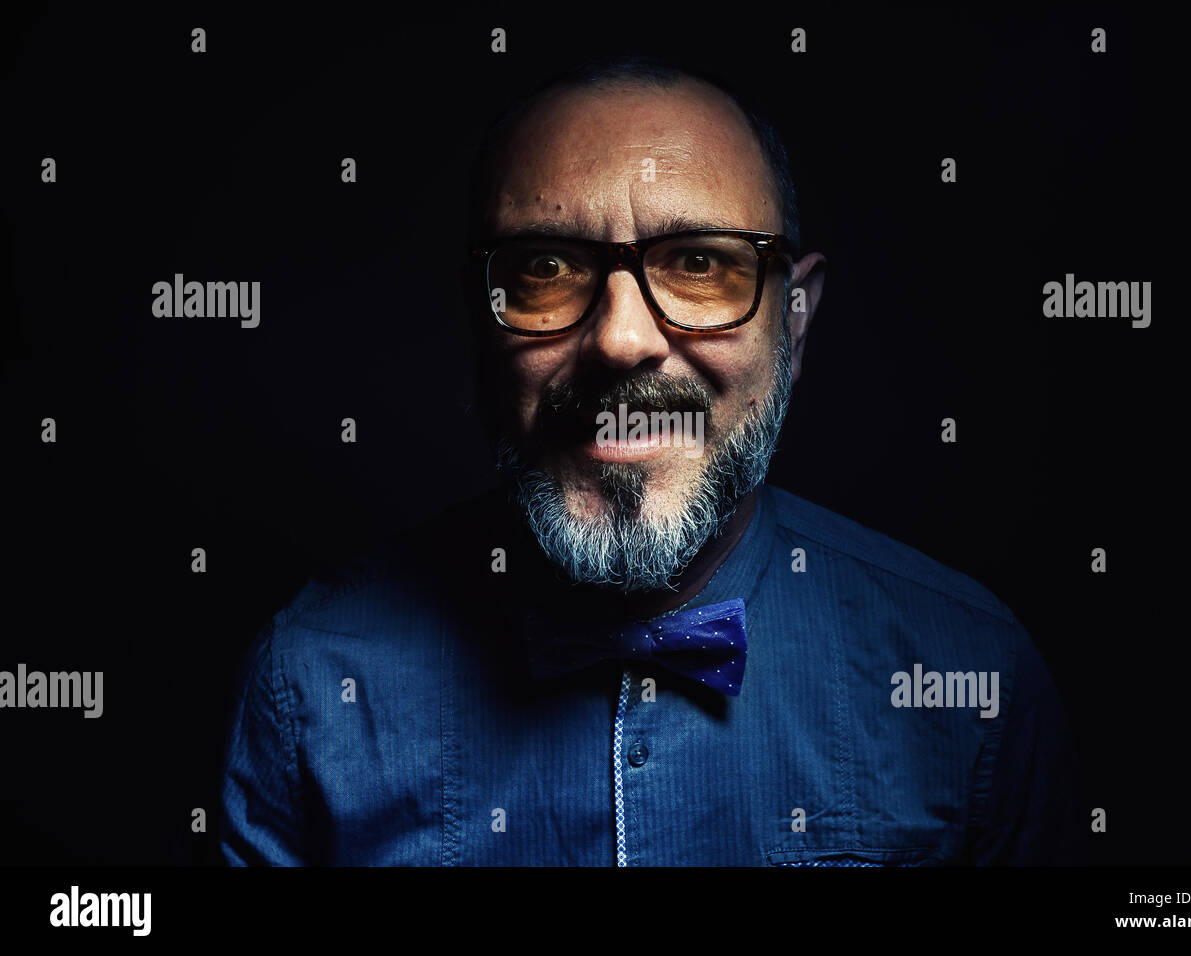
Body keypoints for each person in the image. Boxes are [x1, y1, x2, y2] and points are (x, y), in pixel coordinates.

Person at [220, 56, 1085, 866]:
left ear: (795, 318)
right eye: (548, 267)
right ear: (478, 321)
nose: (622, 339)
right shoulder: (310, 679)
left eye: (701, 262)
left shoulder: (974, 677)